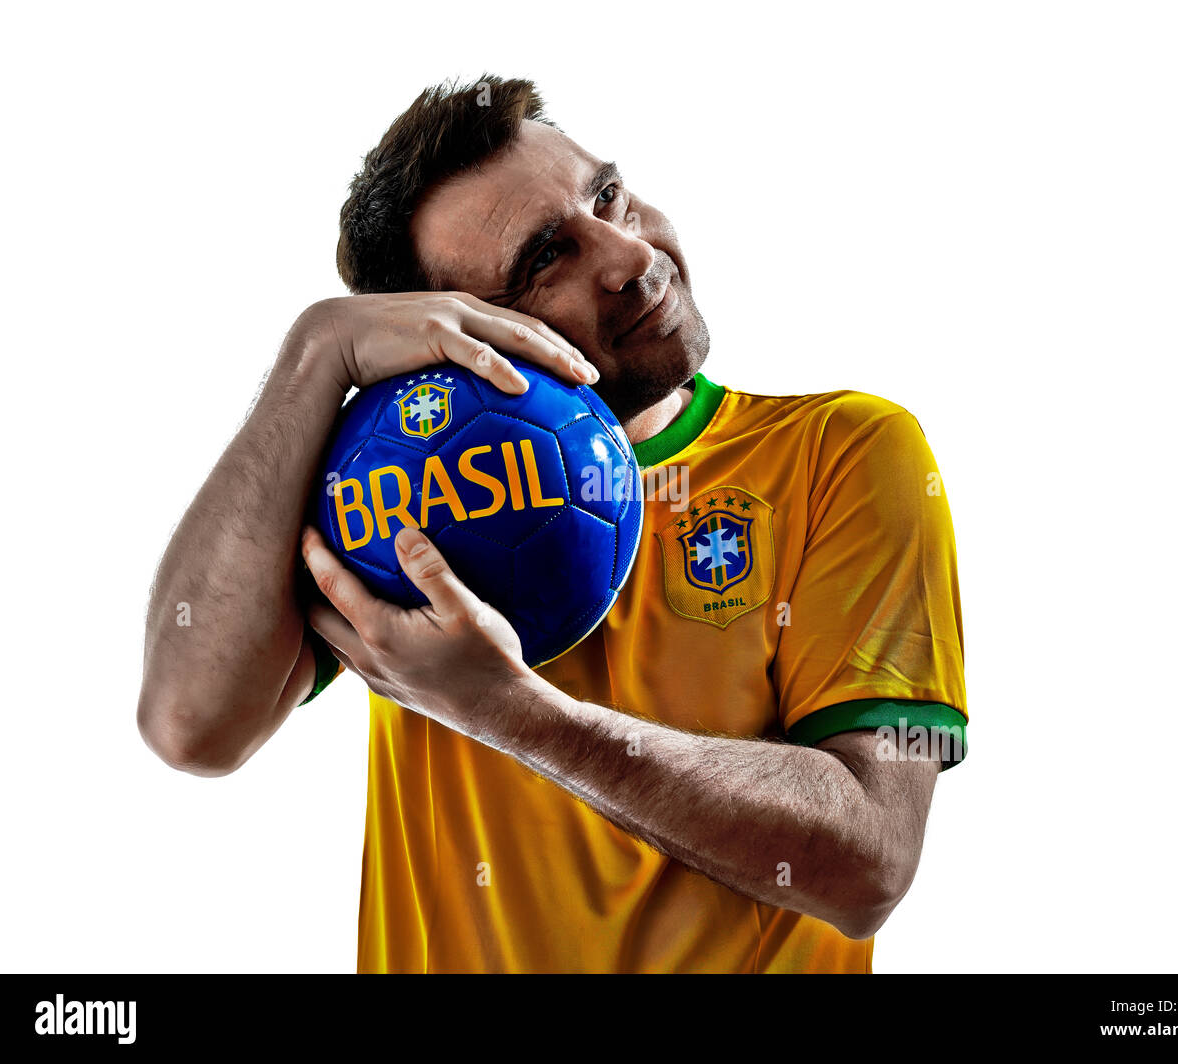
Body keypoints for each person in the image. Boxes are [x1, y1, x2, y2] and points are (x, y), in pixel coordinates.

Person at [137, 75, 968, 973]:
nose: (629, 256)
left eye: (607, 195)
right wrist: (315, 352)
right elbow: (191, 724)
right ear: (448, 330)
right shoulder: (412, 486)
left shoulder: (842, 450)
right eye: (546, 260)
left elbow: (868, 861)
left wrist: (510, 714)